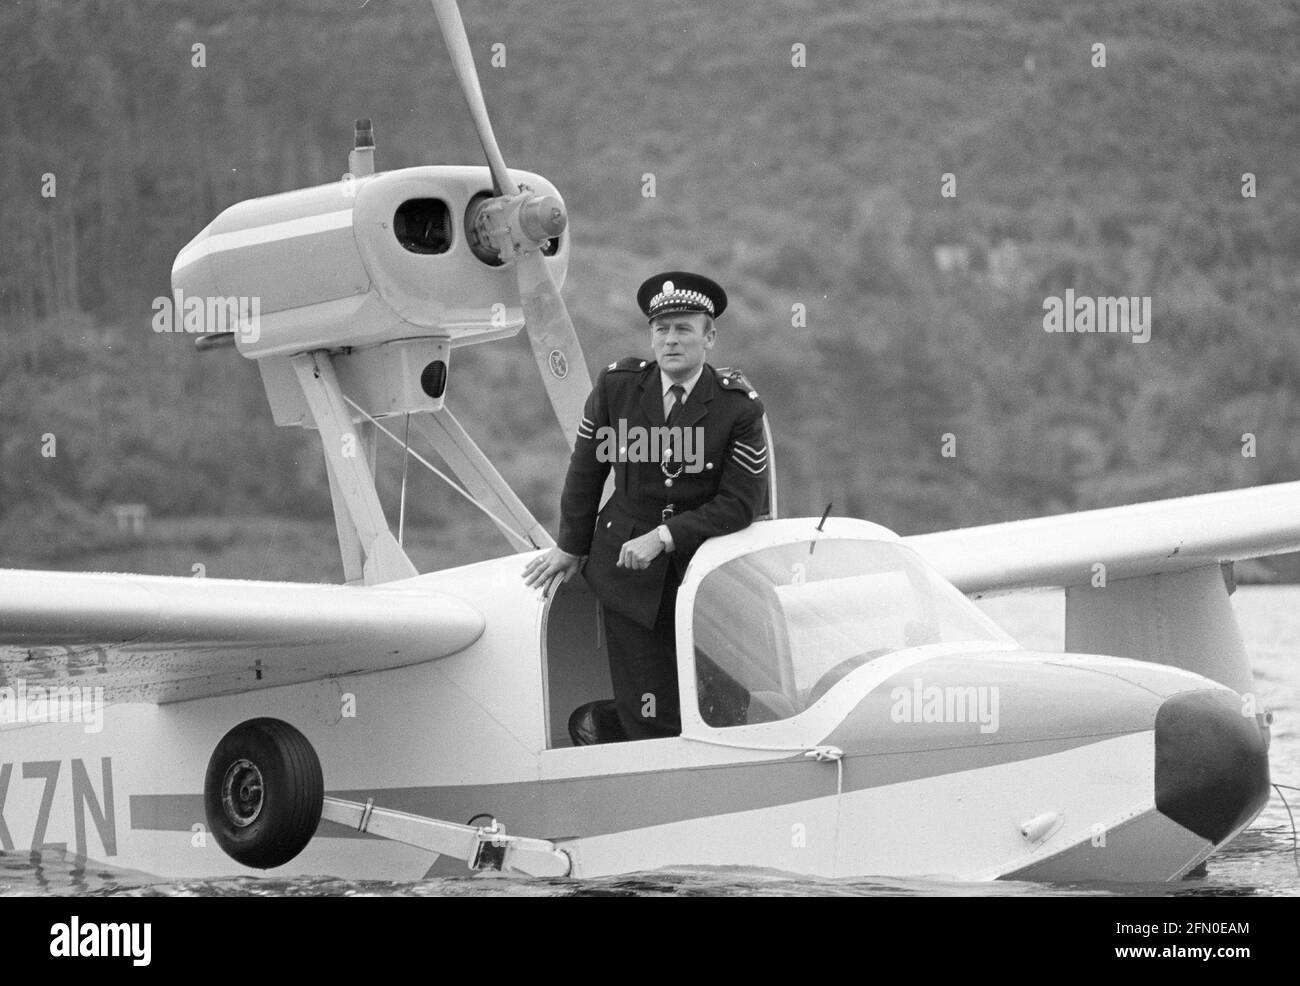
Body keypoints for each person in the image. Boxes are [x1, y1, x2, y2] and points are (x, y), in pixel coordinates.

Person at [522, 270, 769, 742]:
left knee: (722, 704)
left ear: (709, 337)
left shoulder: (737, 407)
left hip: (702, 575)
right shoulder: (618, 388)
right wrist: (570, 546)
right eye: (662, 330)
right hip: (625, 572)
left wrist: (665, 537)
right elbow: (586, 470)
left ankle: (610, 728)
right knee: (648, 710)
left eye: (684, 329)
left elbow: (739, 505)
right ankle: (617, 736)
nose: (671, 340)